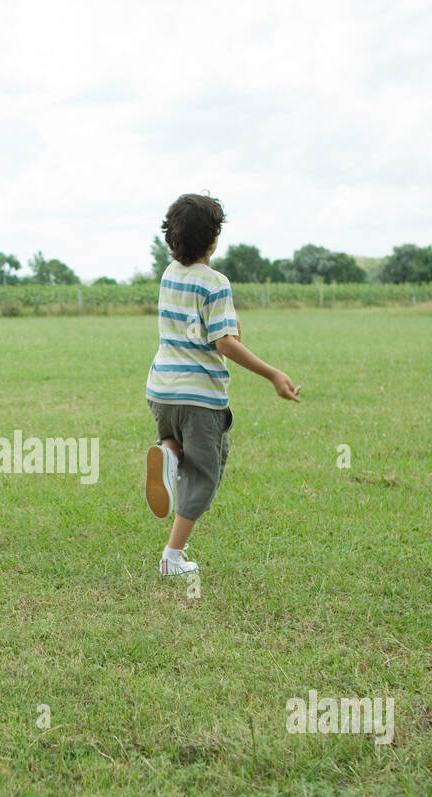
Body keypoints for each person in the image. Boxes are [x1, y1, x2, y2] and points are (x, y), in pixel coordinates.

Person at [144, 194, 301, 575]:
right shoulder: (215, 283)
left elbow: (217, 329)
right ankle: (172, 559)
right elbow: (226, 342)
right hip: (199, 397)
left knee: (181, 444)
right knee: (204, 473)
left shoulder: (169, 275)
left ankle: (168, 454)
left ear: (171, 238)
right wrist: (273, 374)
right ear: (214, 239)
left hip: (161, 391)